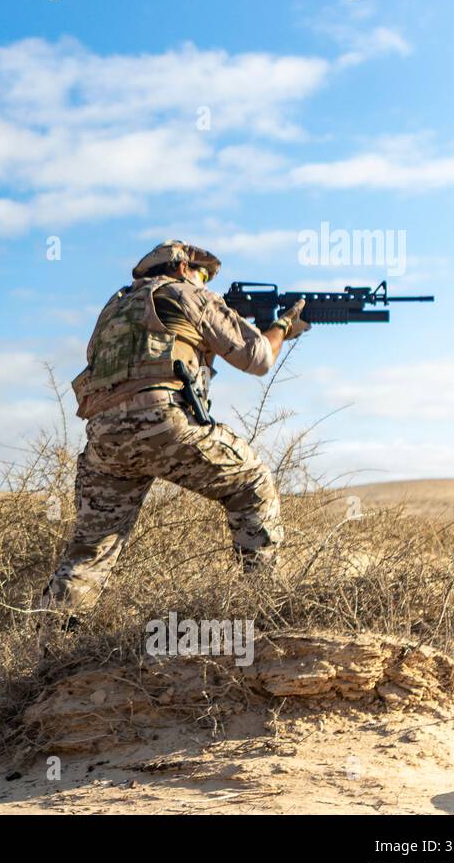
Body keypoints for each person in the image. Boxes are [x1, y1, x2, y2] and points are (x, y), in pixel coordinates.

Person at [41, 240, 309, 615]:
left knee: (92, 547)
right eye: (202, 275)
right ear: (182, 268)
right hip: (161, 421)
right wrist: (282, 326)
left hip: (105, 438)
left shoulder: (113, 309)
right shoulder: (187, 294)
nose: (205, 284)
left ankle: (53, 644)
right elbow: (259, 358)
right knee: (253, 484)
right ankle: (263, 608)